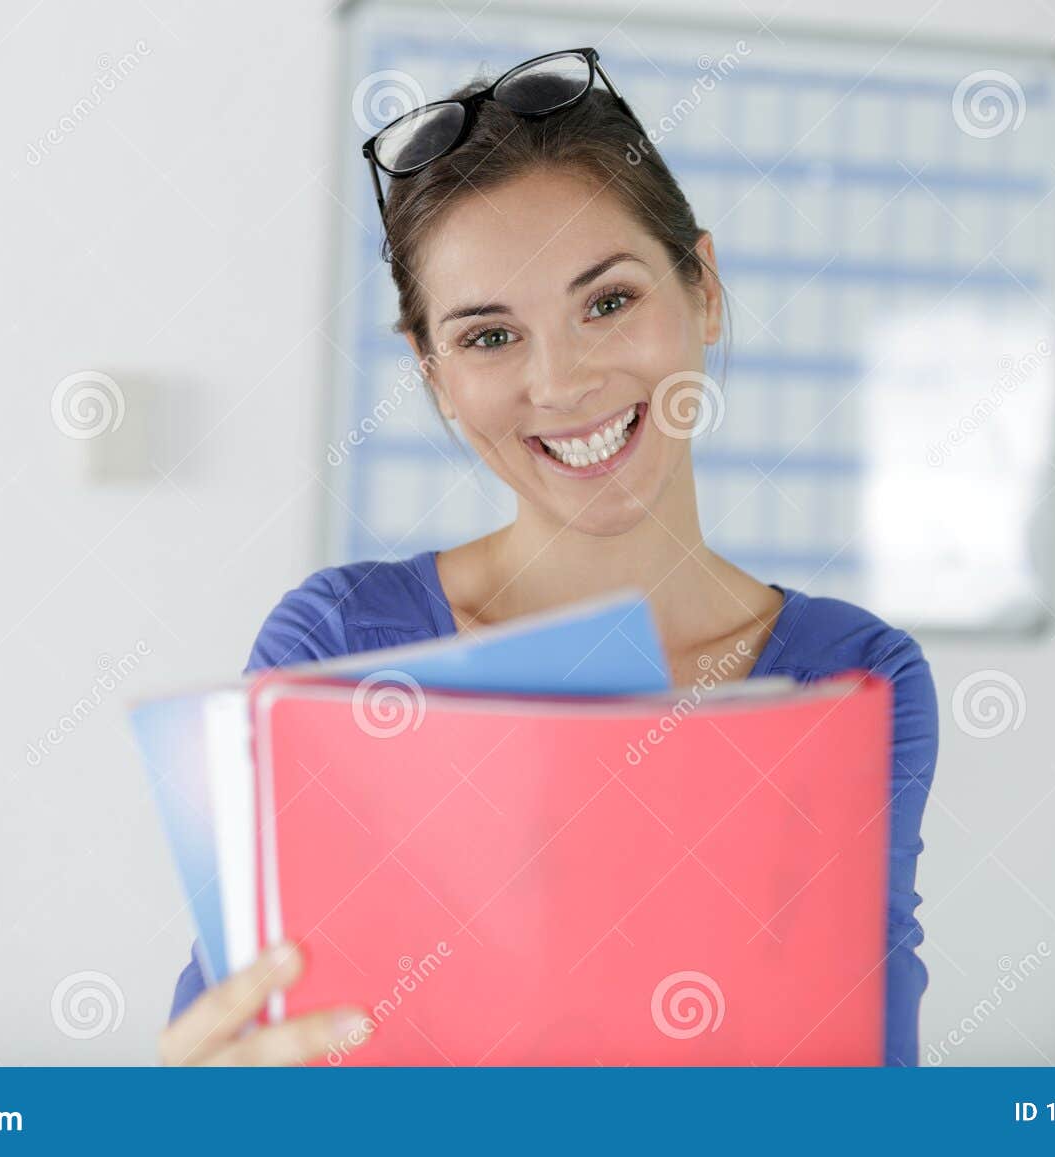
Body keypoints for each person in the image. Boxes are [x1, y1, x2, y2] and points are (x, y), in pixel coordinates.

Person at [158, 47, 938, 1068]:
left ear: (701, 287)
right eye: (489, 337)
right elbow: (236, 1034)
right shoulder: (340, 647)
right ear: (432, 372)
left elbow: (861, 1068)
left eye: (607, 301)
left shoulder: (852, 676)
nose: (563, 381)